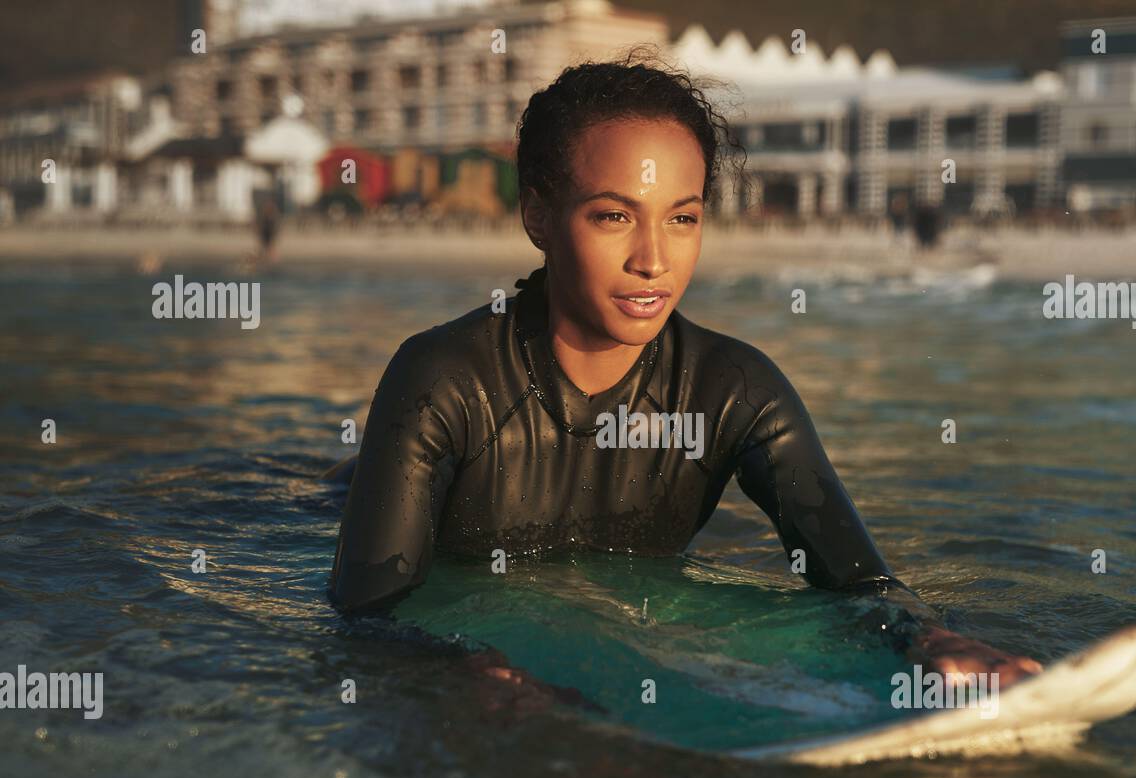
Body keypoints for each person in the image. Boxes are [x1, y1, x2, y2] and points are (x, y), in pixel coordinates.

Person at [328, 51, 1042, 689]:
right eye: (614, 216)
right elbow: (364, 621)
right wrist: (456, 672)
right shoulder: (443, 381)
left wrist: (929, 641)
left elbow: (859, 584)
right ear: (539, 215)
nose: (654, 259)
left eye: (682, 218)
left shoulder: (734, 392)